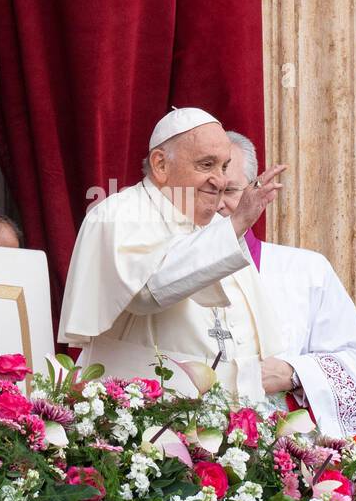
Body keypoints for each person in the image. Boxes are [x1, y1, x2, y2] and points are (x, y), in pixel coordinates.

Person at [58, 107, 286, 401]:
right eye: (207, 165)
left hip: (227, 425)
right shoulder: (118, 214)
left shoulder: (220, 227)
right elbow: (146, 292)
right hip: (141, 422)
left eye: (224, 167)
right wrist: (236, 225)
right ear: (161, 164)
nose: (219, 180)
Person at [219, 131, 356, 436]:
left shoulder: (306, 269)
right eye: (207, 191)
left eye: (229, 190)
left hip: (286, 456)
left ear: (256, 191)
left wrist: (295, 372)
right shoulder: (165, 272)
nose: (218, 204)